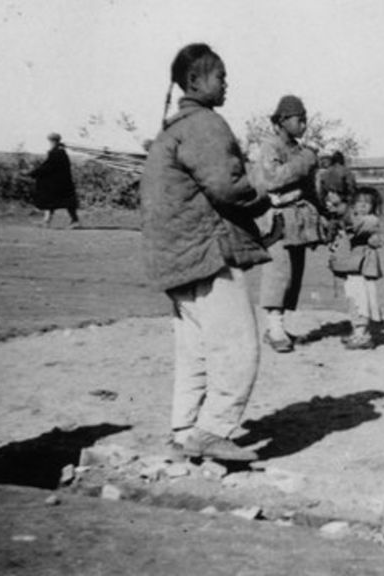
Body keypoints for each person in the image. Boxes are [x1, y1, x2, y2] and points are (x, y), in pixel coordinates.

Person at [140, 43, 271, 462]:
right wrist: (265, 194)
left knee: (195, 350)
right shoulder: (206, 125)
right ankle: (213, 430)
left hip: (175, 257)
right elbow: (227, 186)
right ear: (196, 81)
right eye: (221, 77)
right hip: (209, 252)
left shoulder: (172, 130)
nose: (226, 84)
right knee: (238, 346)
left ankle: (184, 428)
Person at [252, 95, 321, 353]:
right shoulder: (270, 146)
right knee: (278, 271)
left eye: (305, 119)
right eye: (299, 119)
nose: (304, 124)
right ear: (282, 120)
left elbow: (310, 186)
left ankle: (278, 325)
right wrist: (304, 161)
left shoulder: (298, 149)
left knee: (293, 273)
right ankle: (274, 326)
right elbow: (272, 179)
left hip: (299, 219)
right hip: (277, 217)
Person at [329, 187, 384, 350]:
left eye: (368, 203)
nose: (363, 206)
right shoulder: (356, 218)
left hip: (363, 267)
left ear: (374, 207)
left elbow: (354, 225)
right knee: (354, 297)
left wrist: (341, 206)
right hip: (354, 266)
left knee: (361, 300)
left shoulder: (371, 220)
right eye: (359, 202)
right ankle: (358, 332)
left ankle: (362, 335)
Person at [29, 132, 79, 228]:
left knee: (67, 202)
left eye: (51, 141)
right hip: (60, 182)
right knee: (52, 200)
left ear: (54, 141)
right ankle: (47, 221)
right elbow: (49, 166)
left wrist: (33, 173)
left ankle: (75, 221)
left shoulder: (57, 153)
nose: (51, 143)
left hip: (60, 183)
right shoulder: (59, 151)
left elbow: (48, 166)